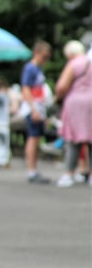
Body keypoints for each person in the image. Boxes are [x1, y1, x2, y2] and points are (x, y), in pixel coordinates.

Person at [54, 40, 92, 187]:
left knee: (73, 139)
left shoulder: (74, 64)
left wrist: (58, 97)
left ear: (70, 54)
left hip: (76, 103)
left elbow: (61, 86)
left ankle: (68, 173)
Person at [20, 40, 52, 184]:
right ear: (36, 53)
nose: (45, 60)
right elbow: (25, 89)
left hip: (39, 107)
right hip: (32, 108)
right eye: (43, 56)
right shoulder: (30, 68)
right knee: (33, 137)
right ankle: (31, 171)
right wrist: (33, 109)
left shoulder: (38, 69)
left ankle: (34, 169)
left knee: (37, 137)